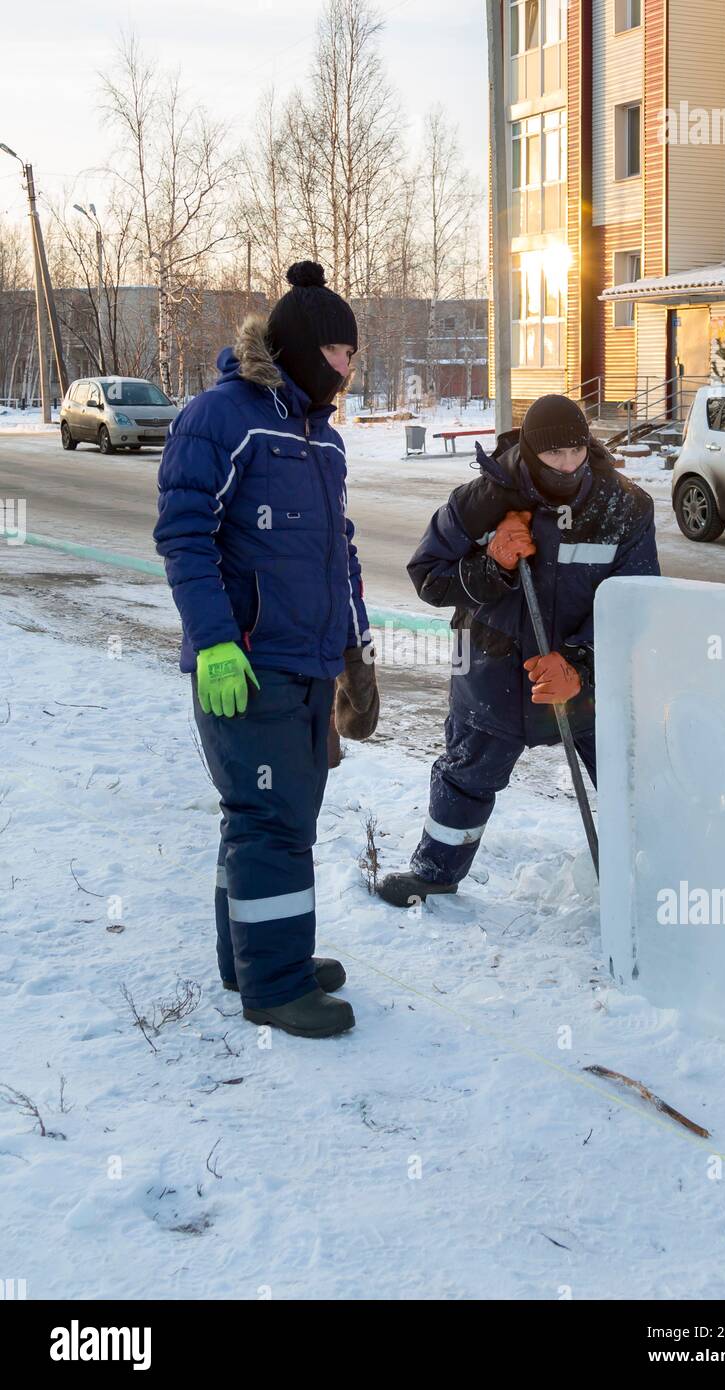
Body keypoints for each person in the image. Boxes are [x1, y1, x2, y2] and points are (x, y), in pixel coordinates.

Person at [154, 261, 378, 1037]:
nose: (351, 369)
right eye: (343, 354)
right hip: (250, 665)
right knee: (271, 822)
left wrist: (355, 653)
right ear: (310, 350)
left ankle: (252, 954)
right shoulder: (222, 417)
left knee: (267, 818)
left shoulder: (321, 438)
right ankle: (276, 985)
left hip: (309, 662)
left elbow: (337, 551)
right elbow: (186, 536)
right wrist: (215, 644)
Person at [377, 394, 660, 908]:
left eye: (577, 451)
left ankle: (653, 877)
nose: (568, 465)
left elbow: (638, 601)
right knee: (464, 779)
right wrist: (491, 564)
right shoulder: (482, 500)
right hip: (493, 675)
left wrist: (582, 664)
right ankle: (435, 872)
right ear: (530, 453)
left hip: (584, 687)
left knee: (631, 782)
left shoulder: (623, 506)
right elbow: (428, 577)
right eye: (554, 456)